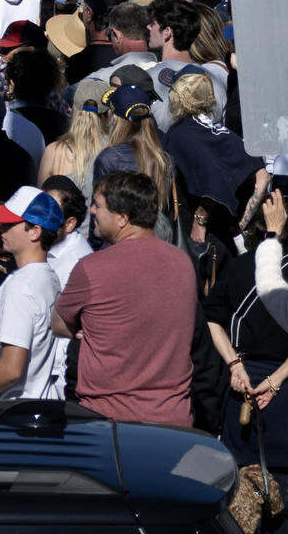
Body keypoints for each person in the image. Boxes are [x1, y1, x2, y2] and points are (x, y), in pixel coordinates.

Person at [54, 168, 200, 428]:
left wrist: (87, 328)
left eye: (98, 205)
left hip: (110, 425)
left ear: (122, 218)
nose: (92, 211)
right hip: (173, 423)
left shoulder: (91, 268)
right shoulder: (183, 263)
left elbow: (58, 324)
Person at [0, 189, 70, 400]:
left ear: (34, 232)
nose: (0, 228)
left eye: (9, 223)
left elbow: (10, 370)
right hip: (34, 406)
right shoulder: (46, 277)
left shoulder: (22, 287)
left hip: (10, 411)